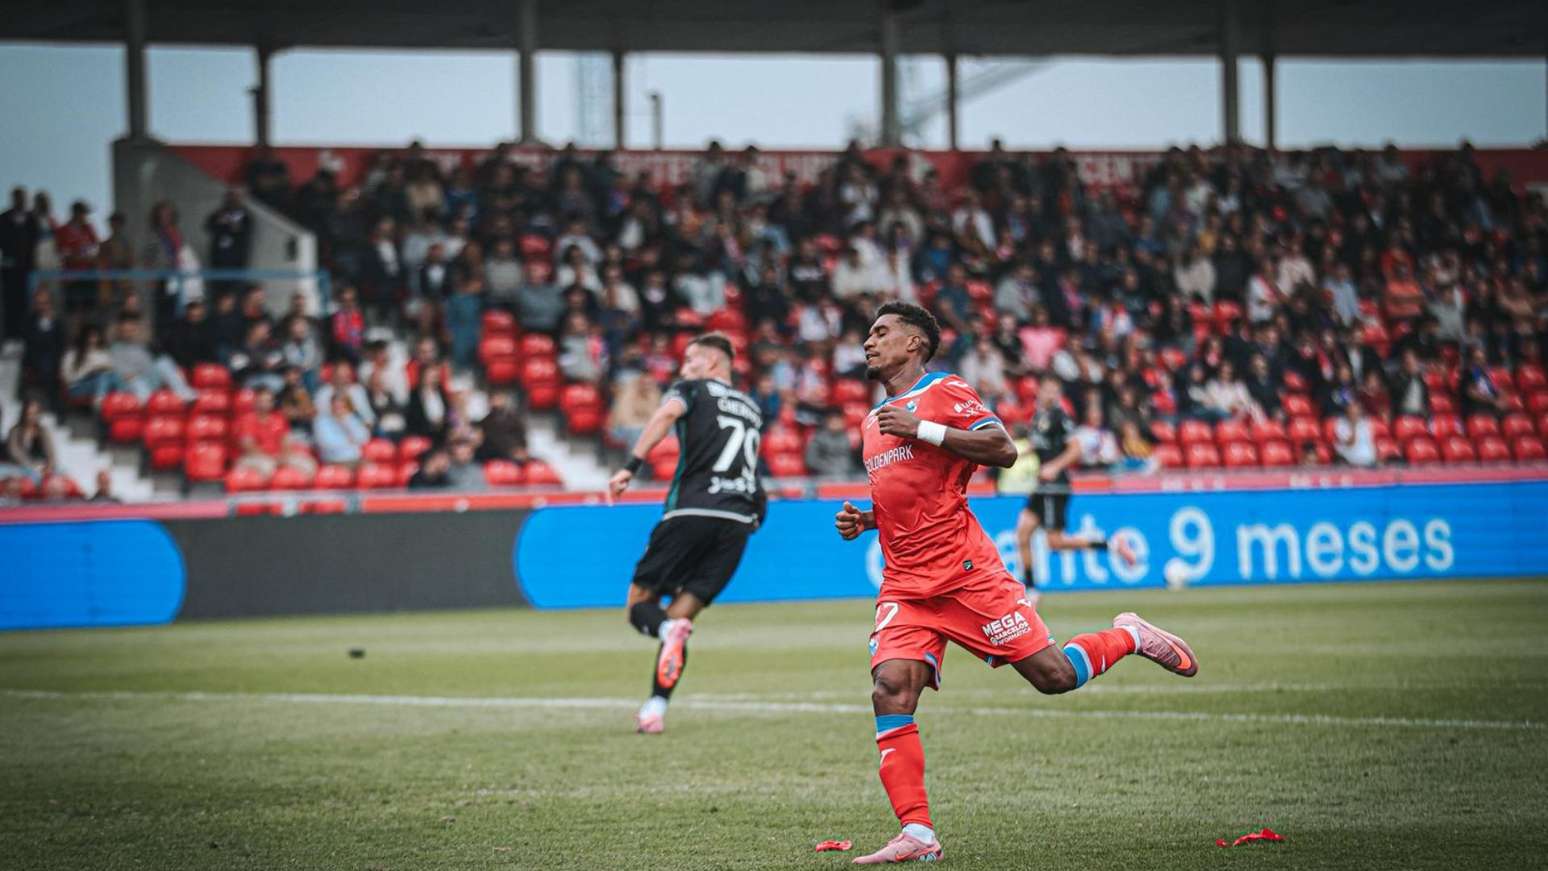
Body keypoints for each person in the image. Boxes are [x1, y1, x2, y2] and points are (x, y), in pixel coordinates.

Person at [832, 302, 1197, 864]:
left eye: (882, 333)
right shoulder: (870, 421)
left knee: (1053, 677)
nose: (868, 342)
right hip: (905, 584)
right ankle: (919, 834)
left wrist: (923, 427)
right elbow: (918, 493)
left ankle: (1129, 635)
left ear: (914, 345)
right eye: (869, 334)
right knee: (889, 690)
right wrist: (869, 519)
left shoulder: (944, 392)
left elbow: (1002, 449)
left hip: (966, 575)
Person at [606, 334, 767, 735]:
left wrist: (630, 465)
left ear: (713, 363)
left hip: (691, 511)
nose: (683, 368)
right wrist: (756, 512)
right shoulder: (751, 407)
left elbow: (663, 417)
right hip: (737, 522)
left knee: (639, 604)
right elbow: (750, 468)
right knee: (682, 616)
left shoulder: (692, 389)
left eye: (691, 360)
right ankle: (655, 708)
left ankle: (663, 634)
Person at [1015, 374, 1137, 603]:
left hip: (1055, 485)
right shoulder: (1039, 416)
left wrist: (1053, 466)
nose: (1050, 394)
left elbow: (1075, 449)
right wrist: (1018, 452)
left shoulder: (1061, 418)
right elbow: (1040, 444)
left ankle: (1112, 544)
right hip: (1041, 486)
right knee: (1022, 533)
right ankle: (1030, 589)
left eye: (1054, 391)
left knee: (1056, 542)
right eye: (1047, 389)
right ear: (1040, 392)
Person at [4, 399, 56, 483]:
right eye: (29, 413)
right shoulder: (15, 431)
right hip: (18, 466)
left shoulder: (43, 431)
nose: (31, 417)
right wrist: (32, 465)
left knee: (62, 473)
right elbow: (15, 452)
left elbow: (50, 452)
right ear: (24, 414)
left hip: (41, 465)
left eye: (35, 413)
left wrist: (49, 466)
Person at [313, 394, 372, 466]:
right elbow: (326, 443)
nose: (339, 409)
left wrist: (345, 423)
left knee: (372, 470)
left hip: (356, 458)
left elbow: (364, 438)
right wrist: (351, 441)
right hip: (333, 460)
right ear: (331, 405)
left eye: (342, 407)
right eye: (336, 406)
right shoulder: (321, 420)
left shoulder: (350, 417)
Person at [805, 409, 860, 478]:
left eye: (838, 420)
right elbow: (811, 460)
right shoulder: (818, 438)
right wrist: (828, 467)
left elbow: (860, 460)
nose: (836, 423)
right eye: (833, 420)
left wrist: (859, 446)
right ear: (827, 422)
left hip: (850, 475)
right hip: (825, 476)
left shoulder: (851, 437)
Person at [1332, 402, 1378, 468]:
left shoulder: (1365, 423)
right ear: (1347, 412)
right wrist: (1353, 426)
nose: (1355, 415)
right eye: (1352, 413)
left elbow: (1370, 442)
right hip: (1352, 463)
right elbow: (1350, 443)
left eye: (1357, 413)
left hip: (1370, 462)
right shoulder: (1341, 424)